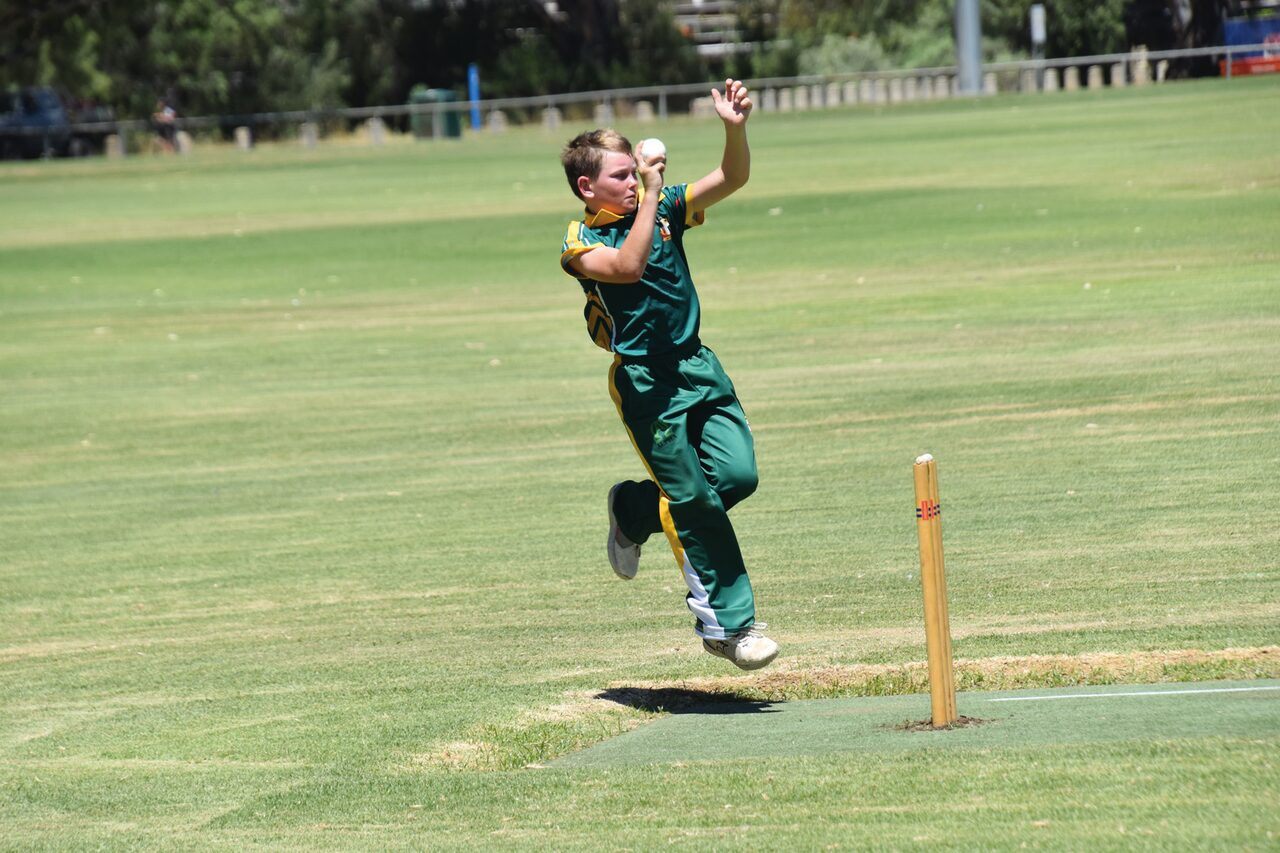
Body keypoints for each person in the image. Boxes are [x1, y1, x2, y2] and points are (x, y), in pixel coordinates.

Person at [558, 79, 778, 670]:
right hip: (645, 382)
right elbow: (627, 267)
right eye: (620, 176)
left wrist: (735, 128)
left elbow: (732, 179)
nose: (632, 182)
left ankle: (632, 511)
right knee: (692, 499)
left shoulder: (663, 206)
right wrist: (652, 194)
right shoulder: (581, 240)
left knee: (737, 475)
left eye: (635, 172)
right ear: (588, 186)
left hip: (697, 365)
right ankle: (730, 627)